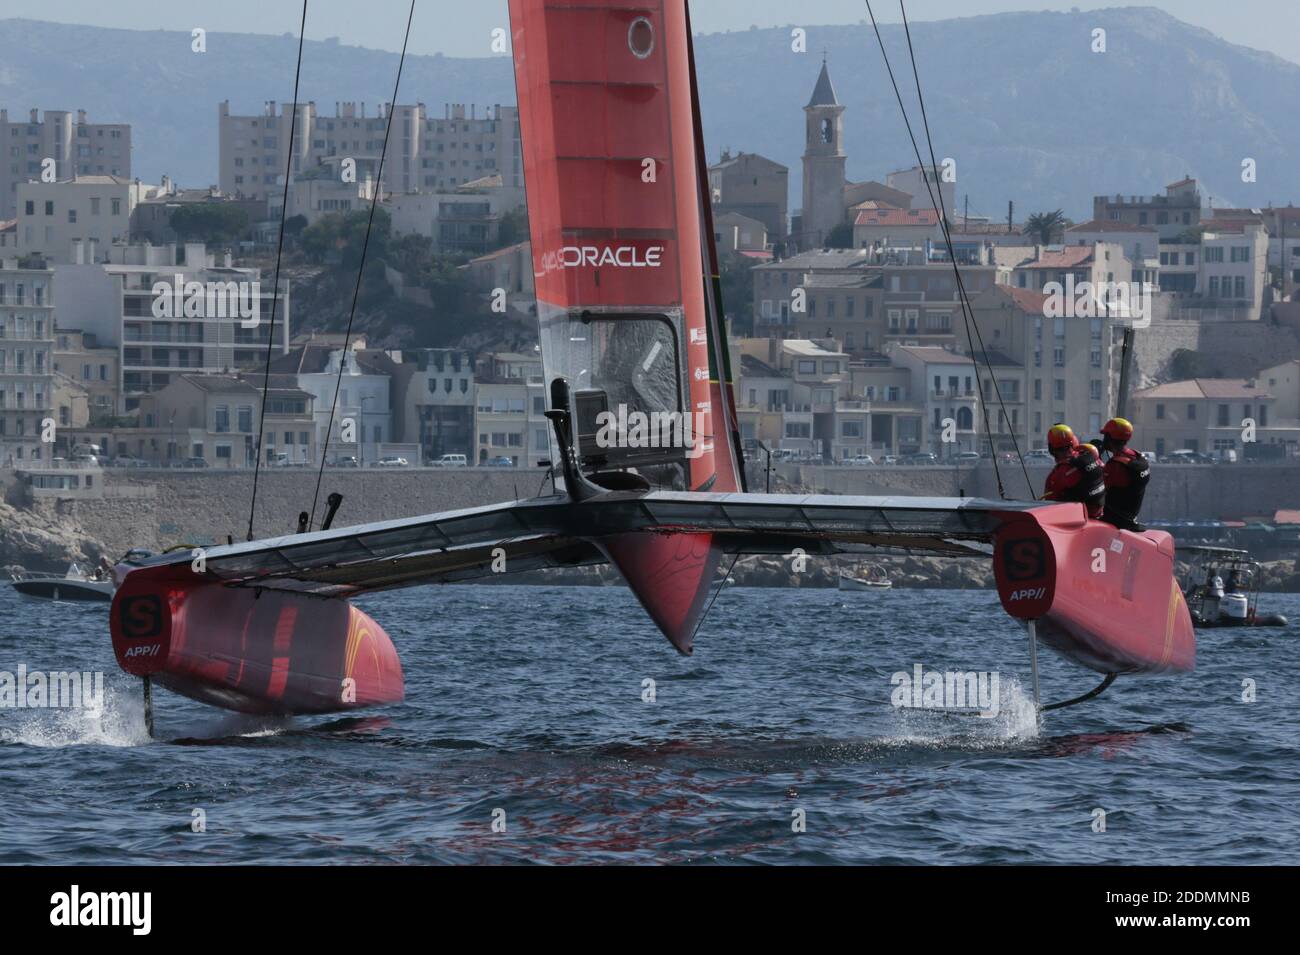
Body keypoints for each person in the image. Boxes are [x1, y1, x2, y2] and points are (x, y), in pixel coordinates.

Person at [1093, 417, 1150, 531]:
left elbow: (1099, 490)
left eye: (1105, 436)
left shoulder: (1115, 465)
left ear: (1109, 438)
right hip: (1129, 515)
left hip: (1114, 518)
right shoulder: (1137, 456)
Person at [1041, 423, 1105, 519]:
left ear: (1051, 449)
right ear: (1072, 443)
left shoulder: (1059, 473)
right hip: (1100, 516)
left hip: (1076, 520)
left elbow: (1049, 504)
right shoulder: (1091, 457)